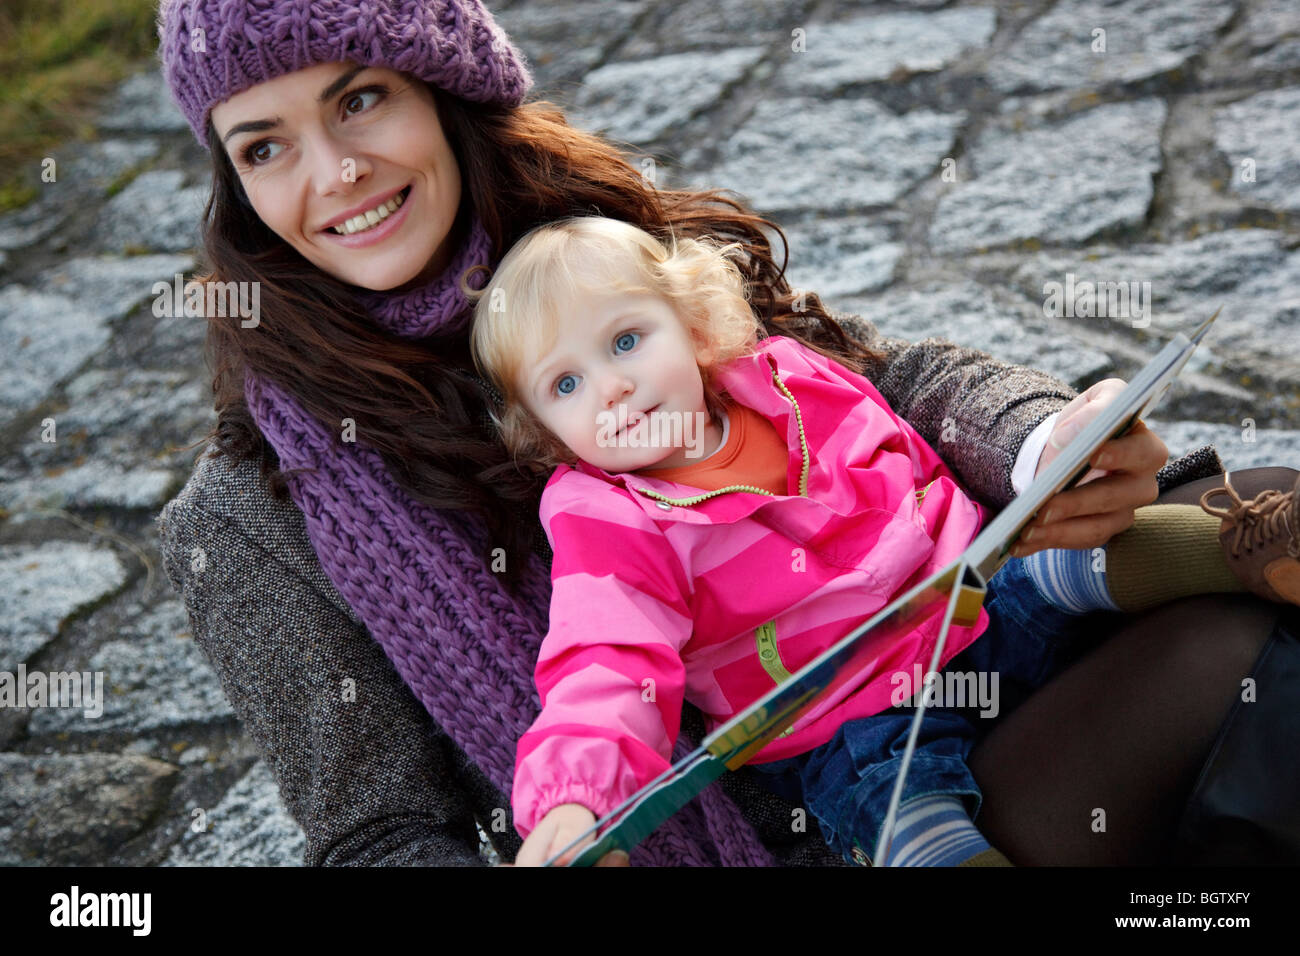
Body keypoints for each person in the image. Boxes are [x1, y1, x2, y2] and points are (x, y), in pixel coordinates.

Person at [153, 0, 1299, 866]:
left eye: (360, 99)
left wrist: (1043, 439)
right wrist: (568, 820)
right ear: (233, 181)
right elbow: (380, 835)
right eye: (264, 145)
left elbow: (868, 378)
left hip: (963, 603)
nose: (335, 172)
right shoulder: (251, 516)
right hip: (836, 803)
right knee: (1220, 662)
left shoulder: (596, 241)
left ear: (438, 88)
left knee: (1260, 506)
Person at [465, 216, 1300, 866]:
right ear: (544, 429)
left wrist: (1044, 458)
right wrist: (575, 801)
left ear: (689, 321)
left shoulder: (790, 377)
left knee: (1061, 564)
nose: (612, 387)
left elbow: (922, 465)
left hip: (975, 603)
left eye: (625, 341)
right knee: (907, 823)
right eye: (566, 383)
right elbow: (606, 661)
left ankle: (1242, 545)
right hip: (853, 725)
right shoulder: (604, 513)